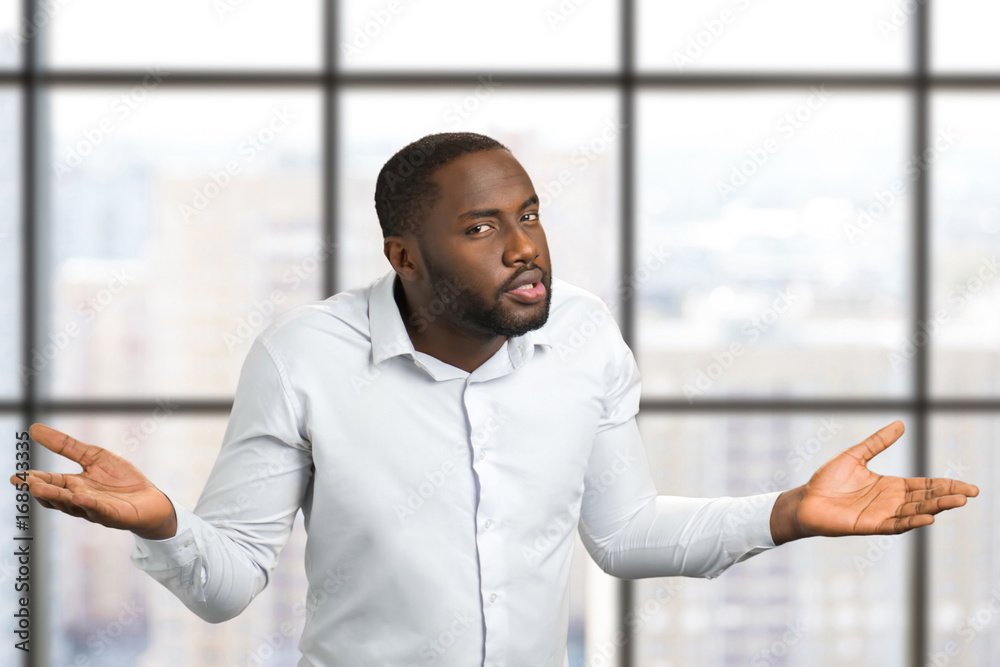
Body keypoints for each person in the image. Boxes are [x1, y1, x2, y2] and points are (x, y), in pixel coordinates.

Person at [11, 132, 979, 667]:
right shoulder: (304, 356)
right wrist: (166, 522)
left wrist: (788, 516)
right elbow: (228, 586)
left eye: (529, 216)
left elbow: (623, 529)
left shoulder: (587, 335)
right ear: (405, 255)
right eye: (481, 227)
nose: (524, 247)